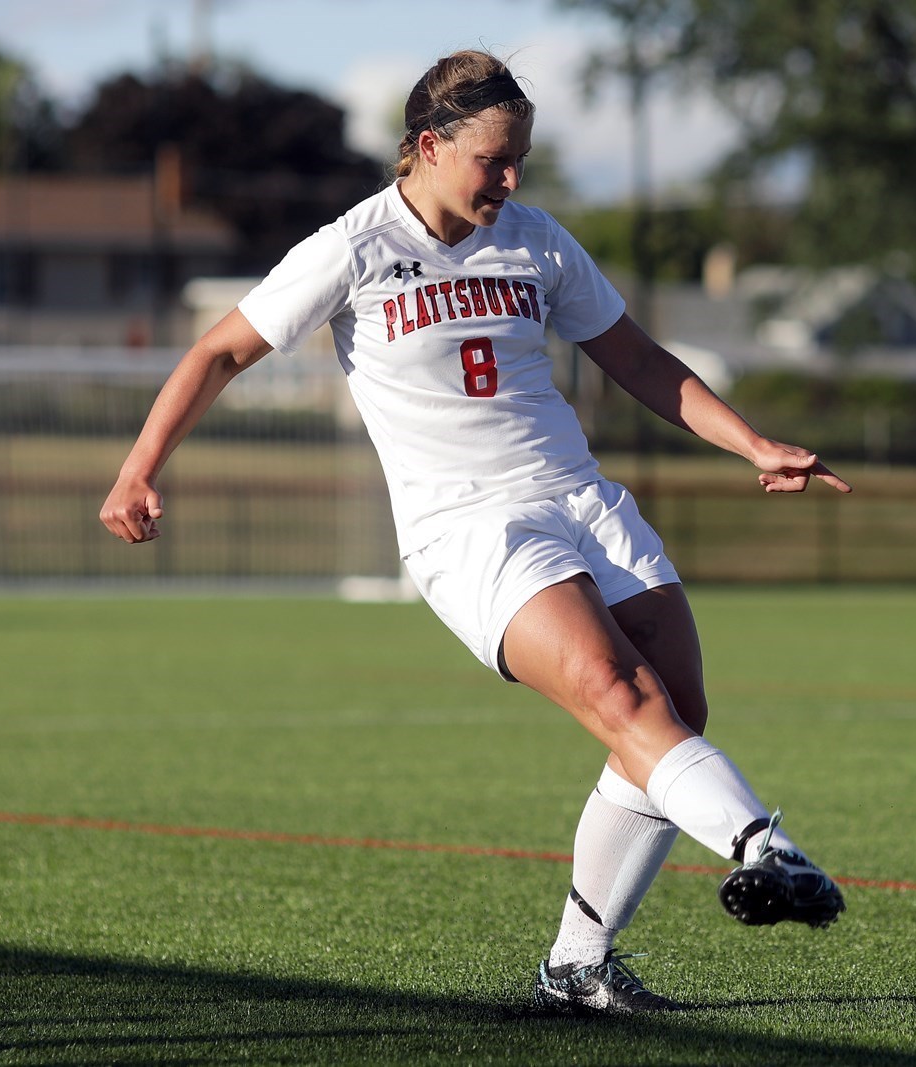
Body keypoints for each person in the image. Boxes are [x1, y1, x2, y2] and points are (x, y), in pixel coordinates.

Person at [99, 49, 849, 1014]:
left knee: (677, 716)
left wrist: (751, 442)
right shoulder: (354, 247)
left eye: (521, 159)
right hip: (469, 527)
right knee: (622, 693)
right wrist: (138, 468)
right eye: (495, 159)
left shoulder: (536, 239)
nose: (511, 179)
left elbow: (635, 358)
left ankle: (577, 967)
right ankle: (766, 847)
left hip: (580, 501)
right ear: (427, 146)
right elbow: (219, 350)